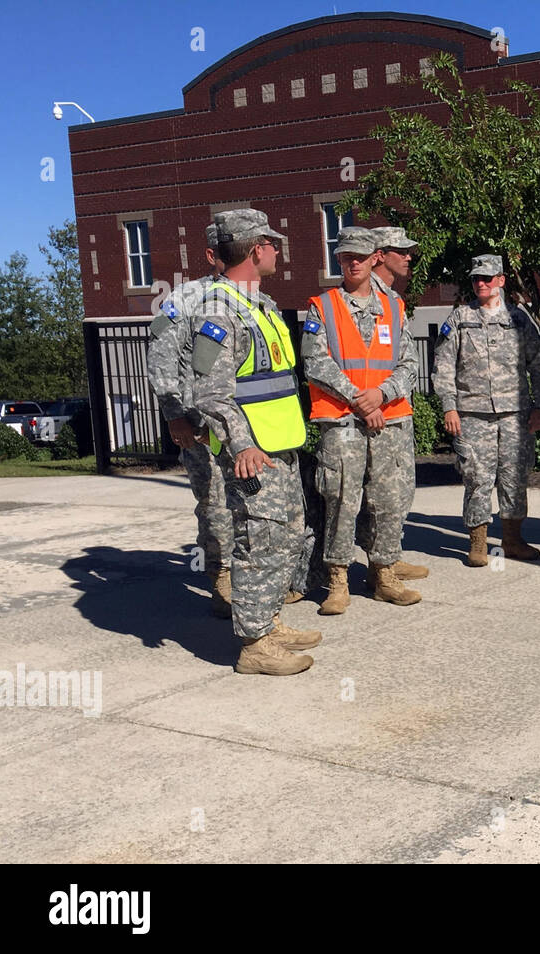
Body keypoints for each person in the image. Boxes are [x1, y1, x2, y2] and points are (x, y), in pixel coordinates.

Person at [191, 209, 319, 675]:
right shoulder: (219, 311)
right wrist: (242, 445)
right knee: (258, 540)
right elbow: (210, 393)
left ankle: (269, 621)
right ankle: (254, 643)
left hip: (279, 447)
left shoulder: (258, 305)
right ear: (252, 250)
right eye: (270, 243)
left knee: (283, 538)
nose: (276, 249)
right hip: (253, 454)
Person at [302, 227, 422, 613]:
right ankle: (338, 580)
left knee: (388, 499)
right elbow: (315, 363)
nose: (351, 262)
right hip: (342, 421)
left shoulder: (395, 306)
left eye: (359, 256)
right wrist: (360, 400)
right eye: (344, 256)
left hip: (389, 418)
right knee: (341, 499)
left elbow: (409, 364)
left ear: (375, 258)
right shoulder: (322, 307)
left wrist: (381, 396)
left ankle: (383, 572)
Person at [433, 254, 540, 566]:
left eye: (487, 278)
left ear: (501, 280)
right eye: (476, 279)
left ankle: (513, 539)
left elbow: (539, 367)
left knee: (515, 478)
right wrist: (449, 407)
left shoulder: (520, 320)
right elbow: (443, 368)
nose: (481, 283)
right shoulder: (459, 318)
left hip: (516, 415)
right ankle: (478, 542)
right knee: (476, 477)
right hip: (472, 415)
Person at [146, 223, 234, 617]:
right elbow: (161, 358)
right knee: (214, 502)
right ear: (211, 256)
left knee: (251, 501)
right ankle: (221, 577)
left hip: (246, 423)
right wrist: (175, 416)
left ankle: (254, 580)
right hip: (200, 423)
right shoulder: (185, 298)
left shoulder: (250, 299)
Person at [355, 224, 428, 591]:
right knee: (381, 492)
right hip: (373, 412)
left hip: (396, 408)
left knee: (400, 489)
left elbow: (405, 361)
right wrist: (373, 400)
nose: (409, 257)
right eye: (401, 251)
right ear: (380, 255)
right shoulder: (367, 298)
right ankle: (379, 565)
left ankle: (389, 555)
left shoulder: (393, 300)